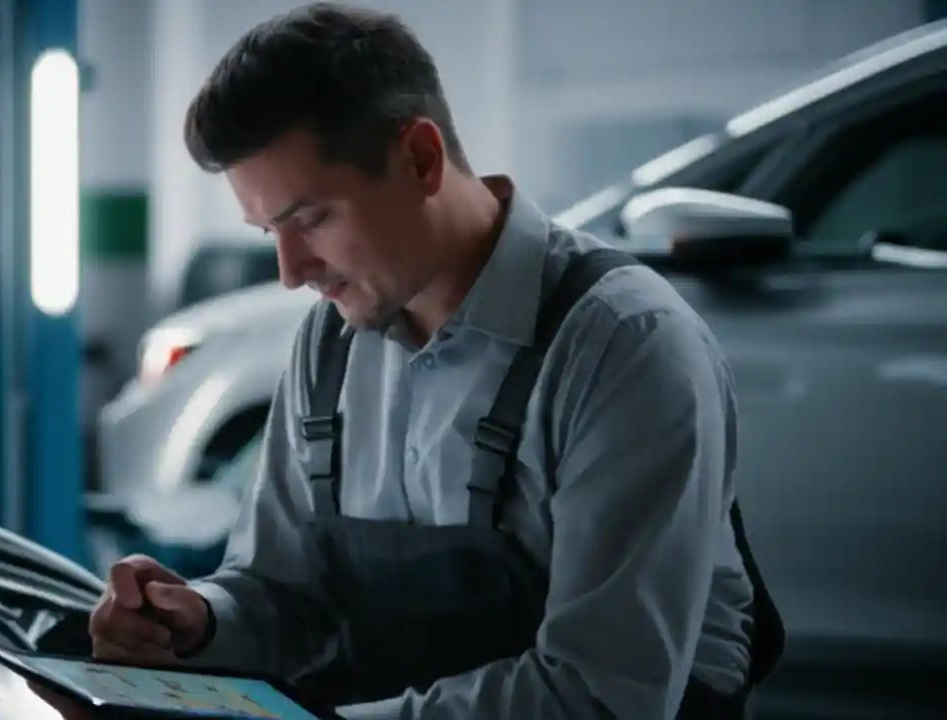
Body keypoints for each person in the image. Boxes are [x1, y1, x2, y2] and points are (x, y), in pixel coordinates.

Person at [87, 3, 781, 718]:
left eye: (311, 218)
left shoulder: (624, 343)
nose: (291, 271)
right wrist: (199, 622)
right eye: (270, 231)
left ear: (420, 158)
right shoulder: (328, 345)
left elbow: (601, 696)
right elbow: (287, 596)